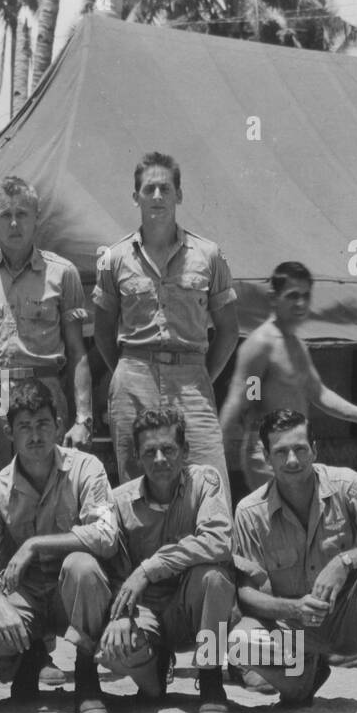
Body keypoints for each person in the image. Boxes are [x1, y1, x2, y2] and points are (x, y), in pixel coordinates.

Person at [0, 174, 92, 689]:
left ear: (36, 220)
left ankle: (43, 647)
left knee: (49, 505)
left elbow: (78, 353)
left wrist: (82, 418)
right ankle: (5, 646)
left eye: (22, 215)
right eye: (4, 215)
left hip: (43, 391)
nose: (13, 223)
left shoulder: (63, 274)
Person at [231, 409, 357, 713]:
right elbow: (246, 593)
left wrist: (344, 561)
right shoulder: (249, 512)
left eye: (300, 448)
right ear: (266, 457)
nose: (292, 460)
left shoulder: (349, 485)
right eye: (281, 452)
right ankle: (302, 681)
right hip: (297, 630)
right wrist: (294, 608)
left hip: (353, 620)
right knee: (237, 642)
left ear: (314, 449)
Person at [0, 380, 119, 713]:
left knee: (83, 566)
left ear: (59, 426)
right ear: (9, 432)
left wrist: (35, 544)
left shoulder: (86, 469)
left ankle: (86, 673)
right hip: (29, 595)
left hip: (75, 594)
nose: (35, 436)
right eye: (24, 427)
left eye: (42, 425)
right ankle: (28, 657)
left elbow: (106, 536)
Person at [93, 151, 238, 487]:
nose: (157, 196)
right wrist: (129, 373)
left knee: (210, 479)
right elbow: (102, 331)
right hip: (134, 379)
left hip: (191, 380)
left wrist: (200, 373)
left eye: (165, 189)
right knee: (136, 484)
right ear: (136, 198)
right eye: (149, 189)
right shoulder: (112, 259)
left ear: (179, 195)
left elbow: (229, 330)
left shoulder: (209, 256)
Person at [102, 407, 236, 713]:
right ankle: (155, 672)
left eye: (169, 449)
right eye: (150, 451)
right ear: (136, 456)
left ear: (185, 451)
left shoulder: (204, 482)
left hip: (192, 609)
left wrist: (151, 567)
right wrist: (121, 616)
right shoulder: (120, 502)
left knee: (215, 577)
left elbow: (218, 541)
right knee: (114, 652)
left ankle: (211, 677)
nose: (160, 458)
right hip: (145, 610)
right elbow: (115, 569)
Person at [219, 261, 357, 493]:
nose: (301, 304)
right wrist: (211, 463)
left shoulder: (296, 346)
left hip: (297, 454)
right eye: (293, 296)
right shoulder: (260, 345)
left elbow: (321, 394)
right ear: (274, 298)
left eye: (306, 296)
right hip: (268, 456)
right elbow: (237, 402)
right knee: (281, 525)